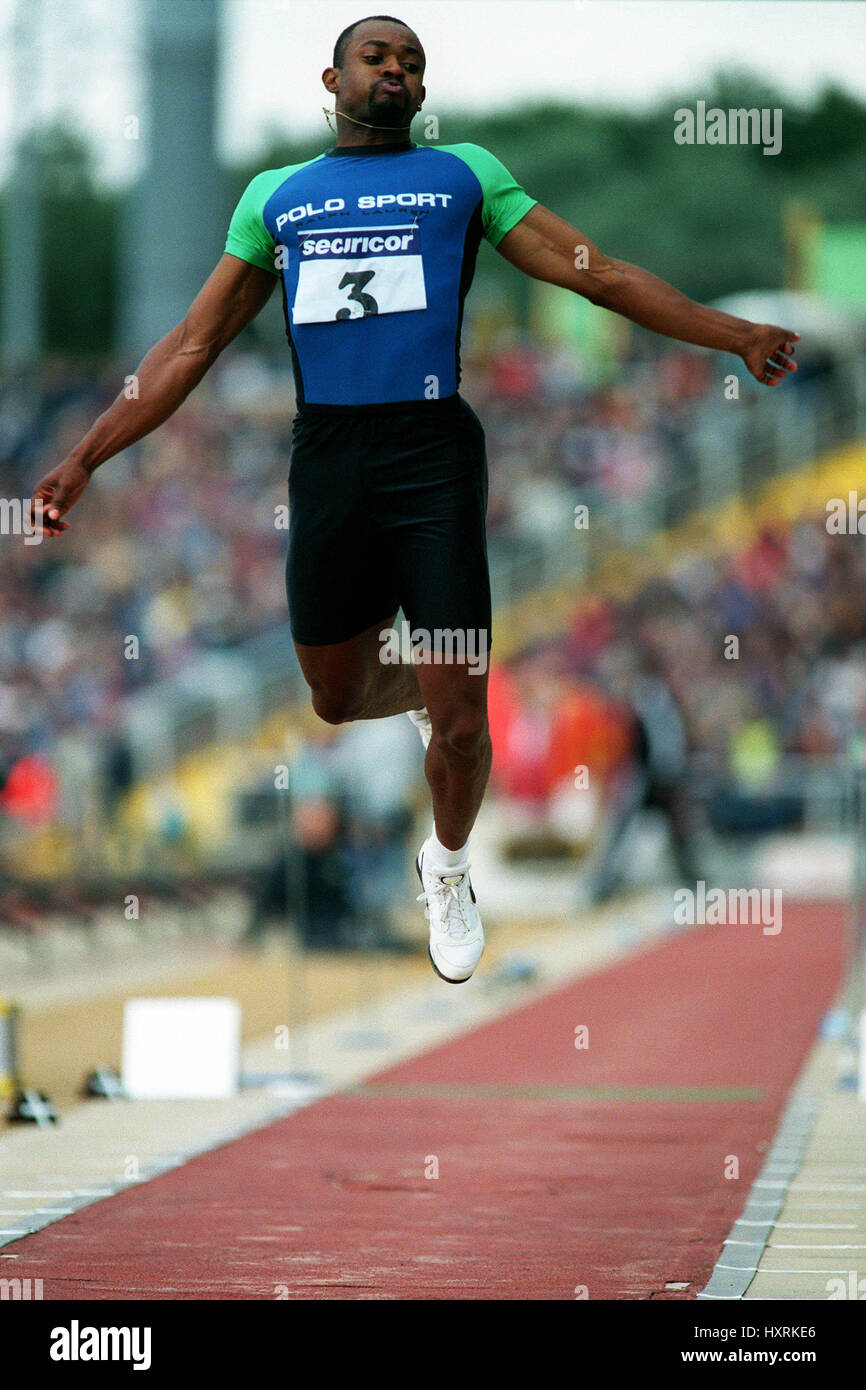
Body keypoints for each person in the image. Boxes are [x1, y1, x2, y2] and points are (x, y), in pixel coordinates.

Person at [29, 14, 800, 984]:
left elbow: (593, 275)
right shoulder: (277, 198)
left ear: (421, 95)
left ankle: (445, 864)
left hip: (432, 456)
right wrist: (84, 457)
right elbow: (189, 345)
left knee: (464, 716)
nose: (394, 69)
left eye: (411, 62)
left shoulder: (462, 177)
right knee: (332, 695)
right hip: (330, 459)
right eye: (376, 56)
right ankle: (414, 685)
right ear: (332, 78)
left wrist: (730, 334)